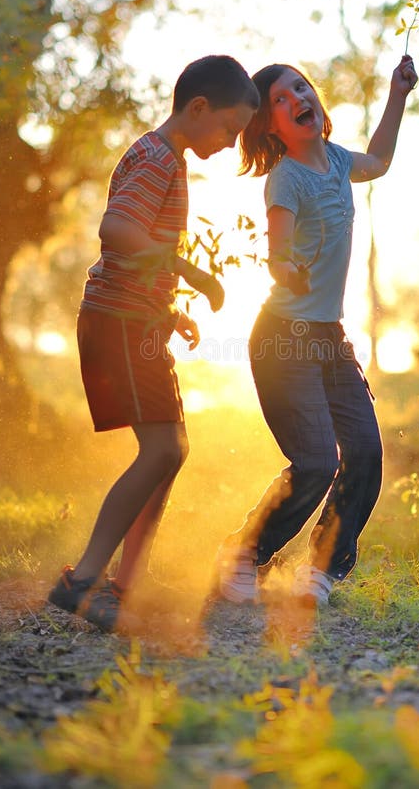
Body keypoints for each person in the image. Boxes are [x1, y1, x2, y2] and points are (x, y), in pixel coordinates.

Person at [48, 55, 259, 632]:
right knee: (164, 450)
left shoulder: (169, 159)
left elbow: (136, 252)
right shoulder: (155, 158)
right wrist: (192, 274)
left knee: (173, 449)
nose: (231, 142)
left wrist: (168, 312)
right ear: (198, 108)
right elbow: (115, 230)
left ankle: (121, 584)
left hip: (136, 320)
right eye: (230, 129)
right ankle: (86, 581)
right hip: (116, 320)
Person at [217, 54, 418, 607]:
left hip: (329, 339)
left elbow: (377, 160)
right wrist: (285, 268)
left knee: (365, 452)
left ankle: (322, 567)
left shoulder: (333, 159)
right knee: (315, 462)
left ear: (316, 101)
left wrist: (397, 93)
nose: (296, 99)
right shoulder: (285, 178)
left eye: (300, 88)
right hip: (284, 339)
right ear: (270, 127)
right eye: (280, 100)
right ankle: (243, 552)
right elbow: (276, 248)